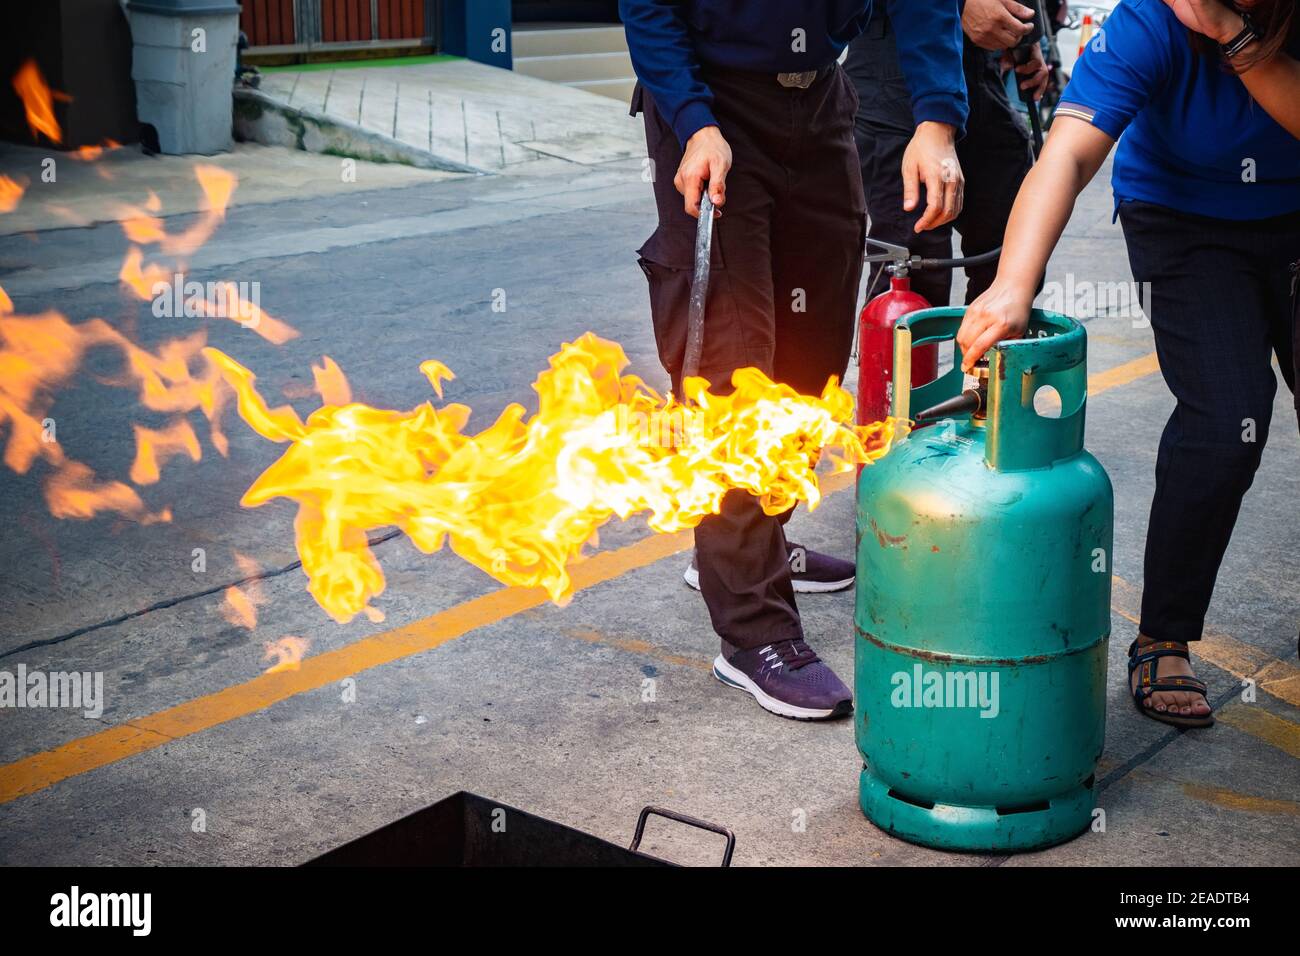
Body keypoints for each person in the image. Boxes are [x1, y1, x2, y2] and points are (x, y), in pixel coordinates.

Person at [955, 0, 1300, 728]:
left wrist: (1237, 40)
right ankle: (1164, 633)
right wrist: (1015, 282)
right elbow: (1070, 150)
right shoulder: (1153, 18)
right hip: (1185, 219)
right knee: (1226, 416)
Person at [621, 0, 968, 720]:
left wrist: (936, 120)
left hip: (819, 102)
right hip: (712, 106)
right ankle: (754, 630)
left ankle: (758, 538)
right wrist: (692, 120)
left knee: (814, 352)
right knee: (733, 367)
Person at [848, 0, 1049, 306]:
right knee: (912, 283)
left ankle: (987, 352)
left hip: (979, 66)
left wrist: (1025, 37)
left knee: (1013, 267)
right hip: (897, 65)